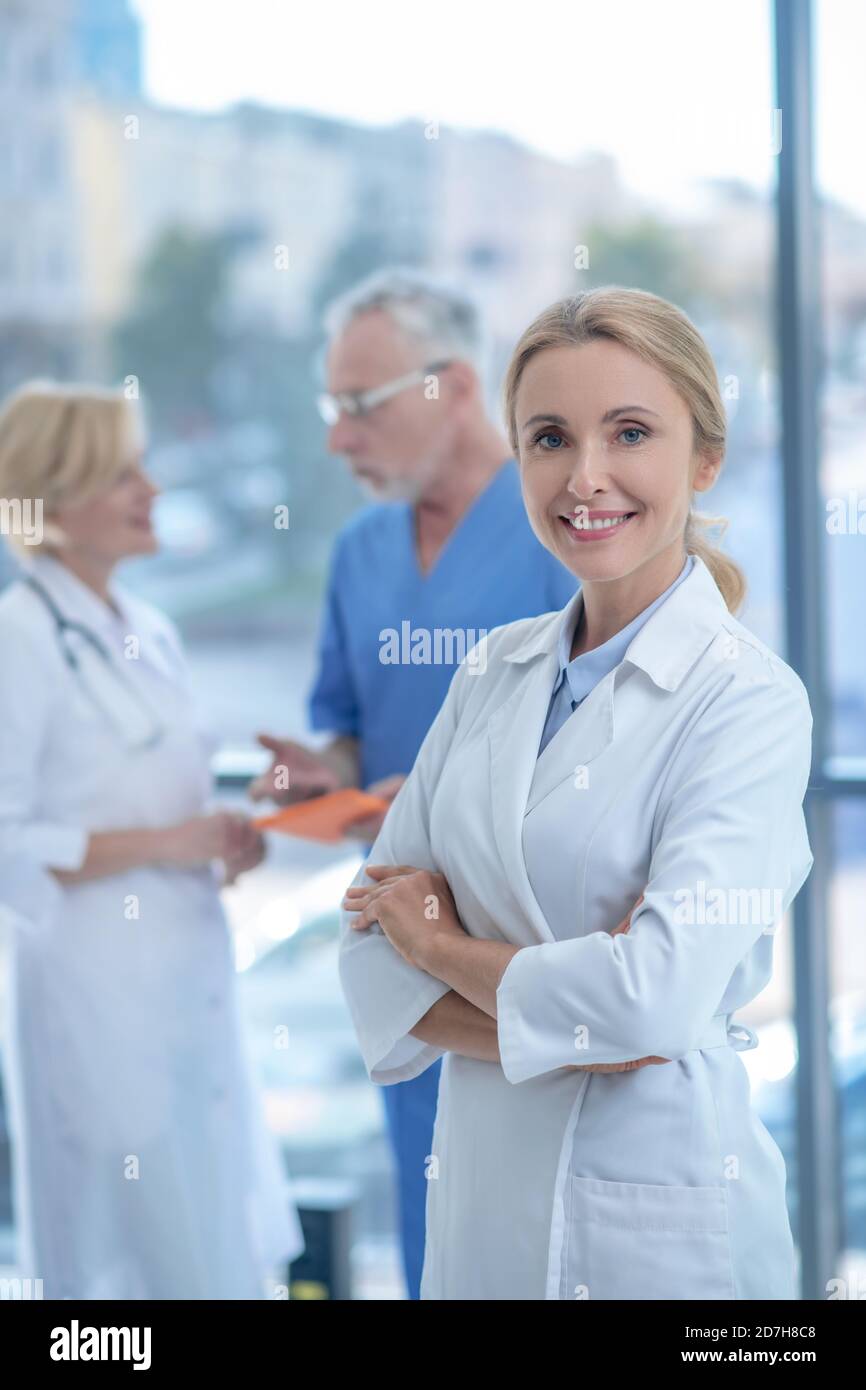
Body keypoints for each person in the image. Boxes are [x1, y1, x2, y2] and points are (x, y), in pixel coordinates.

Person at [338, 286, 814, 1300]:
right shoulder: (490, 671)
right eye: (548, 438)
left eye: (629, 432)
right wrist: (581, 1026)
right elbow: (367, 967)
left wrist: (438, 947)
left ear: (702, 459)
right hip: (476, 1221)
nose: (583, 477)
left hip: (657, 1237)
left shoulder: (746, 703)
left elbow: (652, 1000)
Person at [250, 267, 578, 1298]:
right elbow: (345, 730)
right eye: (329, 409)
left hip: (529, 948)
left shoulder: (561, 538)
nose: (337, 438)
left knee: (550, 1230)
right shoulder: (359, 552)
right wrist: (326, 774)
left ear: (452, 385)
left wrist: (459, 798)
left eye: (359, 406)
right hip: (400, 950)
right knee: (438, 1235)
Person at [0, 382, 304, 1299]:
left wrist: (230, 836)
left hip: (186, 977)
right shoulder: (18, 635)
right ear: (52, 502)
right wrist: (169, 842)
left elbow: (161, 802)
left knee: (210, 1240)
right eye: (121, 474)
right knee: (124, 1265)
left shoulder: (152, 632)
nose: (153, 490)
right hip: (93, 996)